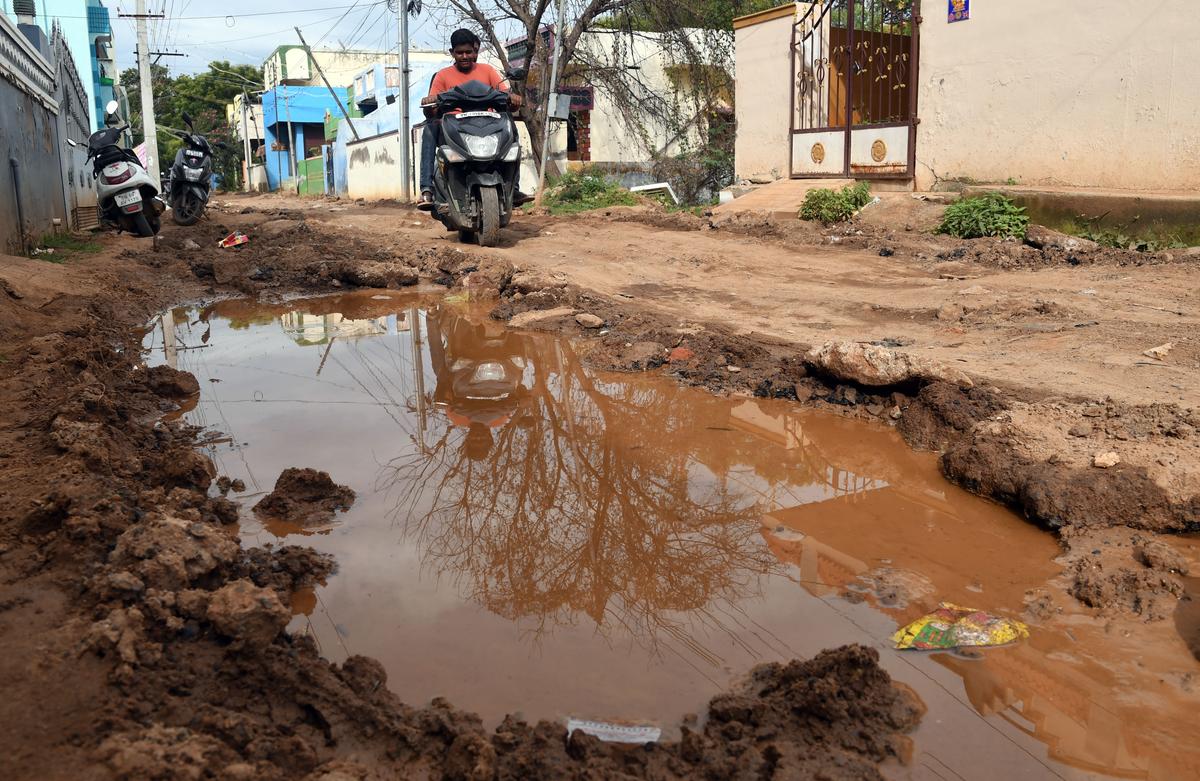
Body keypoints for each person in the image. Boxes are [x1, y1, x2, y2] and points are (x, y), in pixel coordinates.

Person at [417, 28, 532, 211]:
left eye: (468, 52)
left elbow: (505, 99)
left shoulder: (488, 71)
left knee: (511, 125)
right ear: (452, 53)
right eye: (459, 52)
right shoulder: (442, 76)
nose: (464, 56)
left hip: (488, 125)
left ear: (476, 51)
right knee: (430, 129)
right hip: (454, 127)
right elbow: (431, 110)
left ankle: (514, 188)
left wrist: (513, 99)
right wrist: (431, 102)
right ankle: (426, 189)